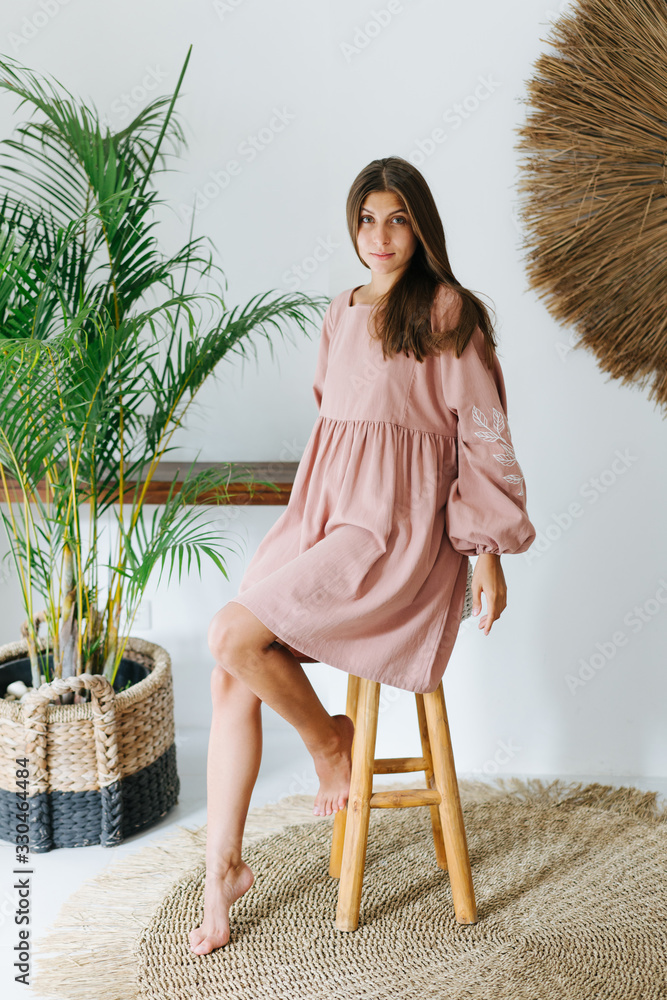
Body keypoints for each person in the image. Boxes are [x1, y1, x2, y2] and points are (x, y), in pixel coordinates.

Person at [189, 155, 537, 956]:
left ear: (421, 226)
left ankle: (330, 746)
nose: (379, 236)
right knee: (229, 664)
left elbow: (482, 436)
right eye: (366, 219)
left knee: (230, 636)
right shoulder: (338, 310)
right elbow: (334, 425)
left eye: (397, 219)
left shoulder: (447, 311)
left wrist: (486, 551)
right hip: (320, 516)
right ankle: (224, 874)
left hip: (391, 535)